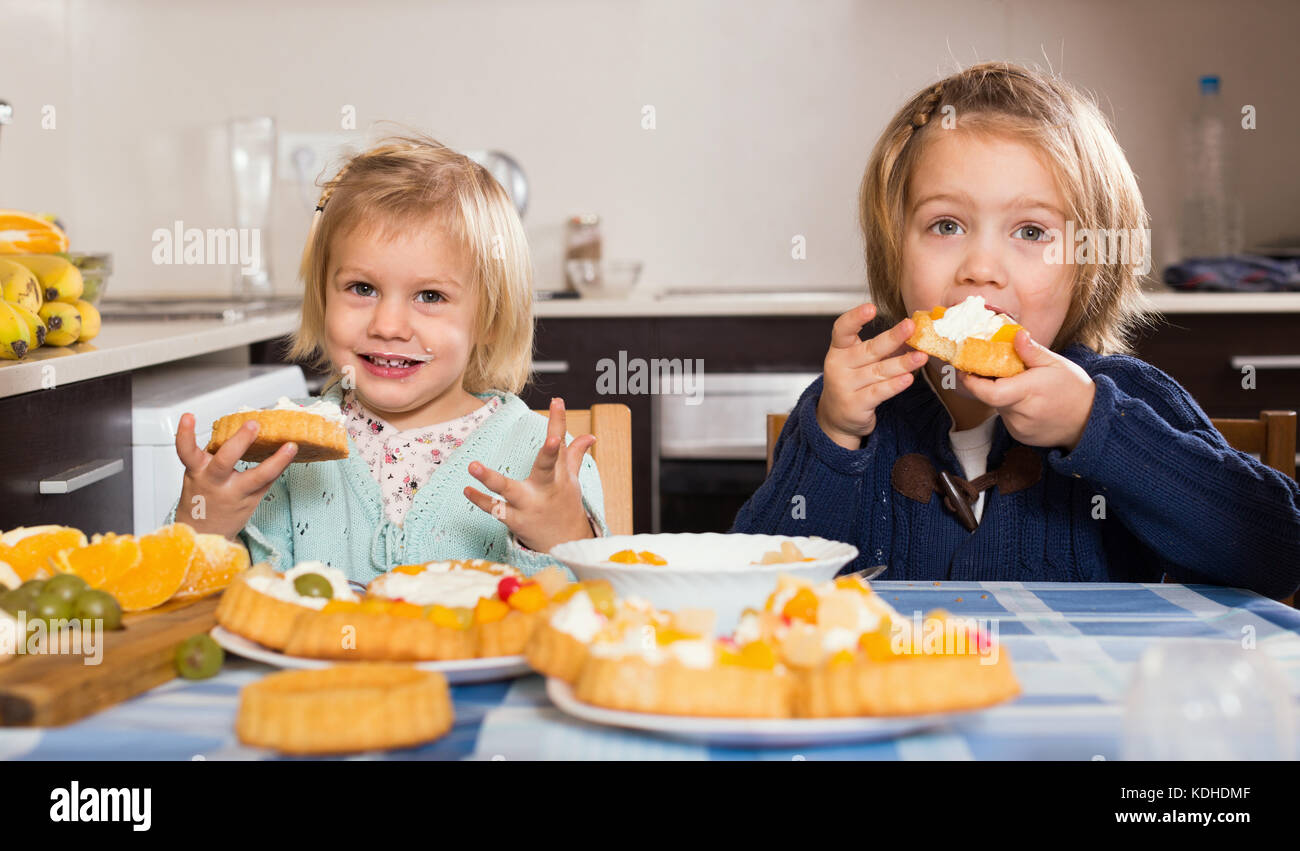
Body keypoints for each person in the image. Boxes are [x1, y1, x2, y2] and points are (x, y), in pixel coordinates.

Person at [734, 62, 1300, 600]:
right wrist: (833, 436)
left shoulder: (1124, 400)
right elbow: (755, 591)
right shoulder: (852, 411)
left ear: (1089, 262)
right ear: (892, 252)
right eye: (946, 225)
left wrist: (1093, 428)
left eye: (1030, 231)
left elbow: (1277, 555)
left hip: (1083, 698)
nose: (981, 266)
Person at [170, 133, 605, 581]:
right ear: (323, 296)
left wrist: (563, 537)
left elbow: (591, 618)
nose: (388, 325)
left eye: (430, 295)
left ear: (489, 318)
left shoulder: (545, 468)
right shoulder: (268, 454)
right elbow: (197, 608)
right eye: (363, 288)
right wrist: (204, 526)